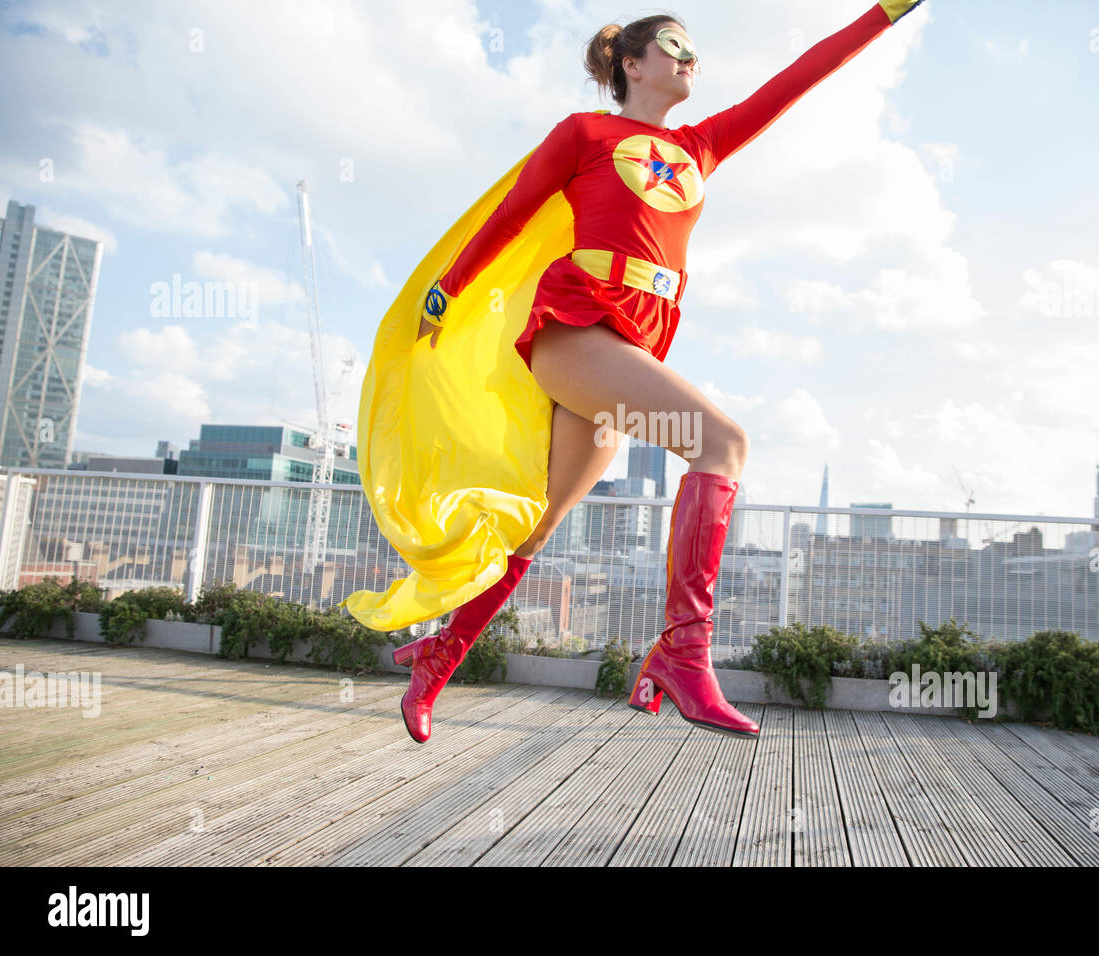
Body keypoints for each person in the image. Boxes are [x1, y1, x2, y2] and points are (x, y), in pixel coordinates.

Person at [370, 1, 925, 743]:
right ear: (633, 65)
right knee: (722, 444)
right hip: (575, 333)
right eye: (674, 47)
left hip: (632, 348)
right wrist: (449, 288)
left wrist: (882, 14)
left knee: (537, 530)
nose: (691, 60)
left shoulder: (702, 147)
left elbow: (798, 79)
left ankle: (437, 660)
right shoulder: (585, 132)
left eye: (694, 51)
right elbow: (511, 213)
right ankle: (682, 653)